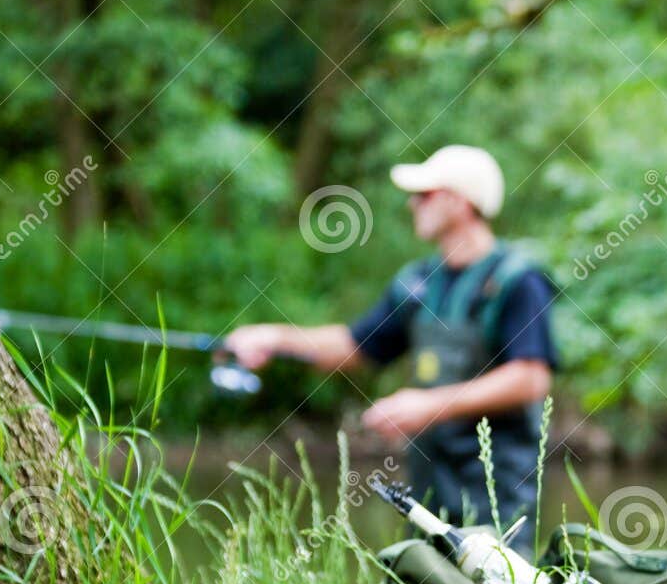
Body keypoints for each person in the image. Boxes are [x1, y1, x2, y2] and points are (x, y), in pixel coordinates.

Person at [225, 145, 556, 547]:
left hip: (497, 490)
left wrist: (426, 406)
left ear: (460, 201)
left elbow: (531, 378)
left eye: (425, 194)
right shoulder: (417, 282)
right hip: (430, 487)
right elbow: (355, 347)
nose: (412, 204)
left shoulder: (517, 280)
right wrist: (275, 338)